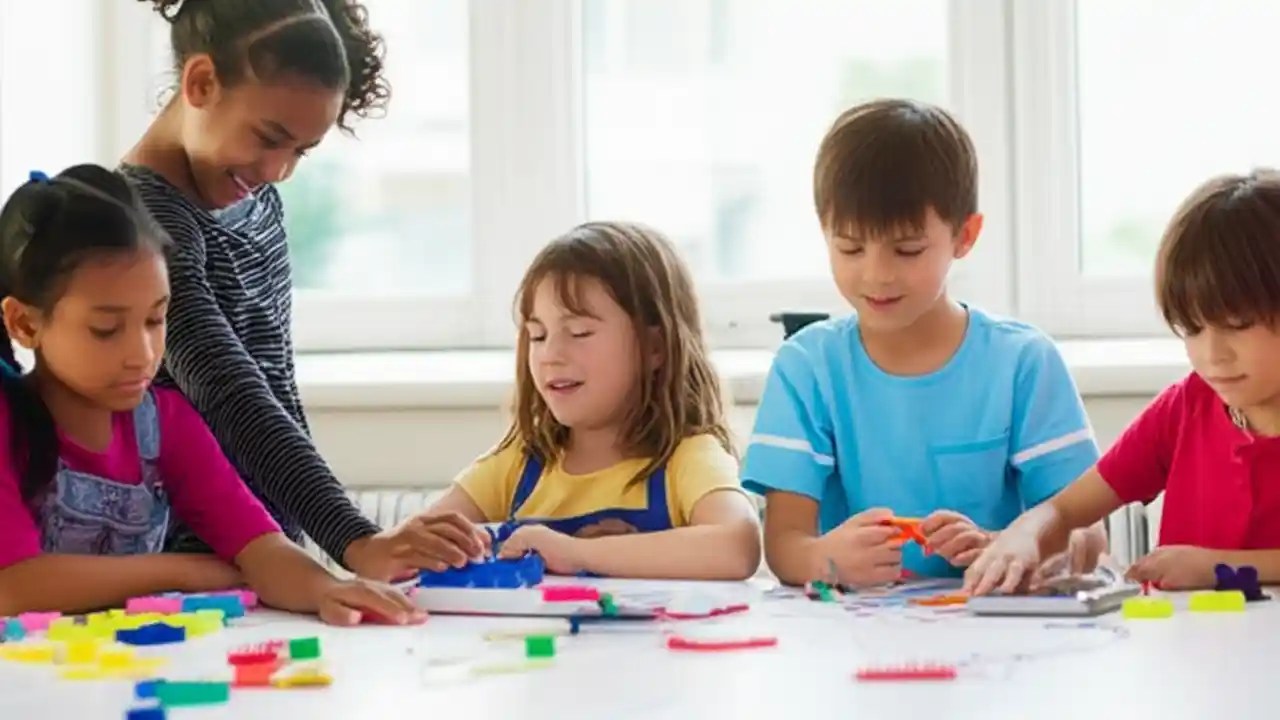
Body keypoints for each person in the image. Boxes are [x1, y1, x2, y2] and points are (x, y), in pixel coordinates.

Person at [120, 0, 484, 581]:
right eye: (269, 138)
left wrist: (302, 537)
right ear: (202, 82)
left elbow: (275, 380)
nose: (279, 169)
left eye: (301, 151)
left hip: (266, 549)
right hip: (181, 562)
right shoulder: (139, 221)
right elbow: (228, 387)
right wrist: (355, 538)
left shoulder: (252, 195)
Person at [0, 165, 422, 623]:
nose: (141, 354)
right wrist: (180, 571)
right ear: (24, 323)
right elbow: (15, 586)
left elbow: (260, 547)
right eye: (106, 329)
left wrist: (327, 590)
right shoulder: (7, 422)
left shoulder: (166, 424)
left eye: (155, 320)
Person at [742, 99, 1103, 587]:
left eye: (907, 249)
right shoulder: (806, 367)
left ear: (965, 236)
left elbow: (1087, 532)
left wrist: (1010, 544)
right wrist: (827, 560)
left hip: (994, 632)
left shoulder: (1022, 363)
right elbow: (785, 546)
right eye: (849, 247)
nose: (876, 274)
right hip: (847, 637)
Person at [966, 170, 1280, 595]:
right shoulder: (1186, 407)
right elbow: (1066, 509)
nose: (1213, 355)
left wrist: (1219, 567)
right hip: (1192, 652)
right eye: (1193, 329)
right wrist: (1025, 532)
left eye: (1237, 325)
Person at [424, 222, 762, 580]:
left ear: (655, 348)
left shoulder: (687, 458)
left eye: (579, 332)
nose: (551, 355)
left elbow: (737, 547)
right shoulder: (517, 464)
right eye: (538, 336)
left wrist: (578, 553)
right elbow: (412, 548)